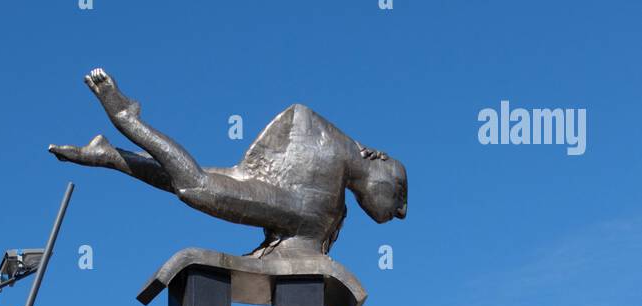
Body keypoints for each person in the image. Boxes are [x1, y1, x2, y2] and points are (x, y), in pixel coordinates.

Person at [50, 69, 408, 258]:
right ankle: (128, 120)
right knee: (196, 186)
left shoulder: (337, 192)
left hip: (290, 196)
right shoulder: (331, 186)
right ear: (383, 164)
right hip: (296, 203)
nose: (401, 211)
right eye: (399, 193)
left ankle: (110, 155)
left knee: (192, 181)